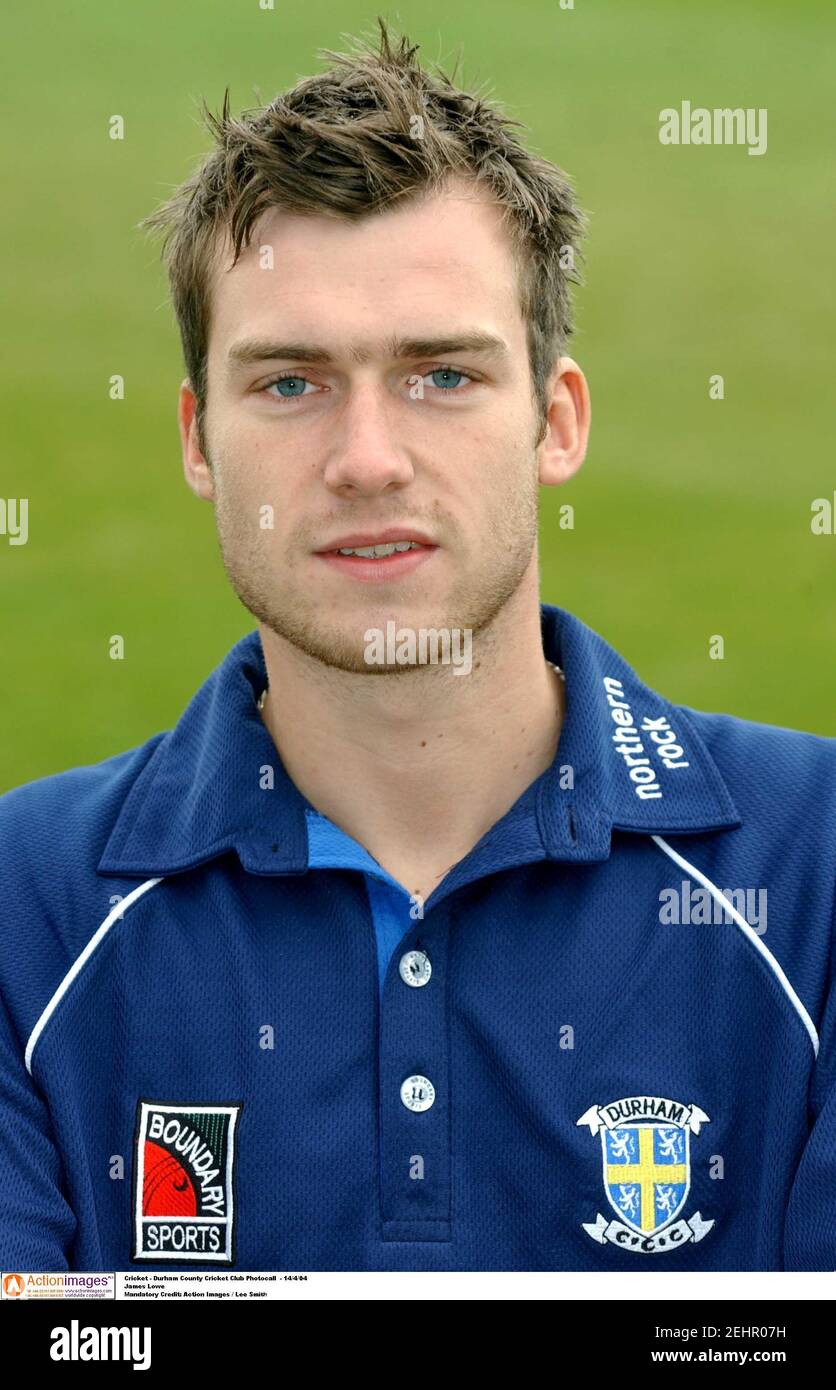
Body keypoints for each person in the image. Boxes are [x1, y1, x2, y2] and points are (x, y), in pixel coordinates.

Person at [1, 20, 834, 1274]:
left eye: (441, 375)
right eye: (289, 382)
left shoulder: (815, 870)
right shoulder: (24, 910)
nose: (367, 459)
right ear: (195, 439)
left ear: (555, 421)